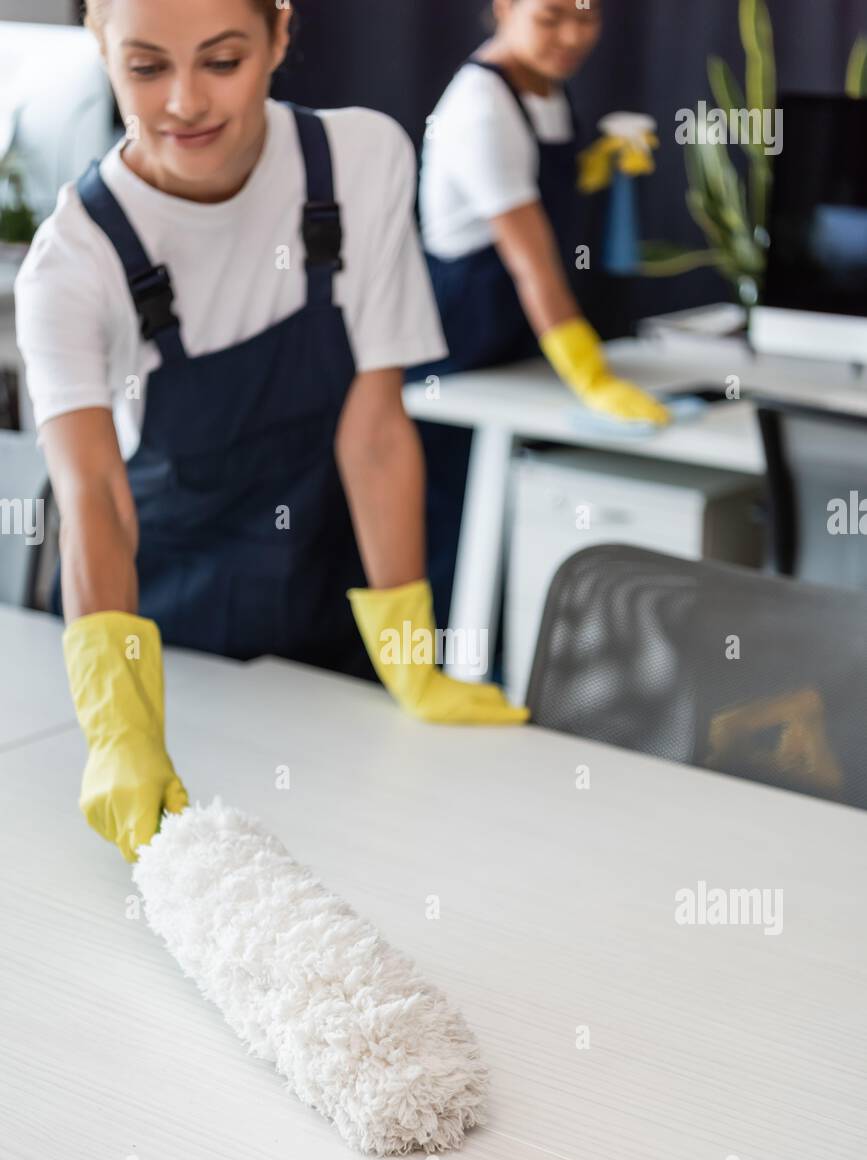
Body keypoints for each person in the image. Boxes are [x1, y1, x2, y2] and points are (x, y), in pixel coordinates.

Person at [14, 0, 528, 865]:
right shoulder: (74, 263)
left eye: (222, 61)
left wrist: (410, 655)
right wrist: (120, 731)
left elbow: (372, 429)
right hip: (165, 622)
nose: (184, 102)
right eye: (145, 68)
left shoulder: (358, 161)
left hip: (323, 592)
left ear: (280, 35)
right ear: (101, 51)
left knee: (380, 852)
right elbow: (94, 496)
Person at [414, 0, 670, 627]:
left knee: (512, 526)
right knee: (454, 530)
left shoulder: (545, 89)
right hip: (458, 352)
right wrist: (590, 375)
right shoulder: (482, 105)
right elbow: (534, 265)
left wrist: (595, 169)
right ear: (503, 8)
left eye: (587, 18)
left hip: (518, 347)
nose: (573, 36)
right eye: (552, 17)